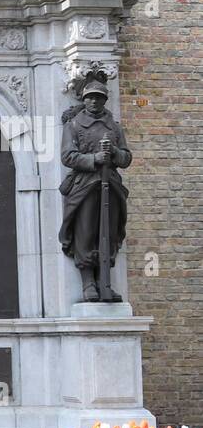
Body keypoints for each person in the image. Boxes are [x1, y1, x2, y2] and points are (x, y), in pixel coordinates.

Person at [59, 77, 131, 302]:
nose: (94, 102)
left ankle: (105, 281)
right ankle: (88, 282)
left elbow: (126, 157)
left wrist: (114, 155)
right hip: (85, 186)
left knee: (109, 231)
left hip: (111, 185)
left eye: (98, 98)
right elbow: (67, 156)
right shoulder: (73, 125)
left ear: (104, 101)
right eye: (90, 98)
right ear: (84, 99)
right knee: (86, 232)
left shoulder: (114, 127)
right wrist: (95, 158)